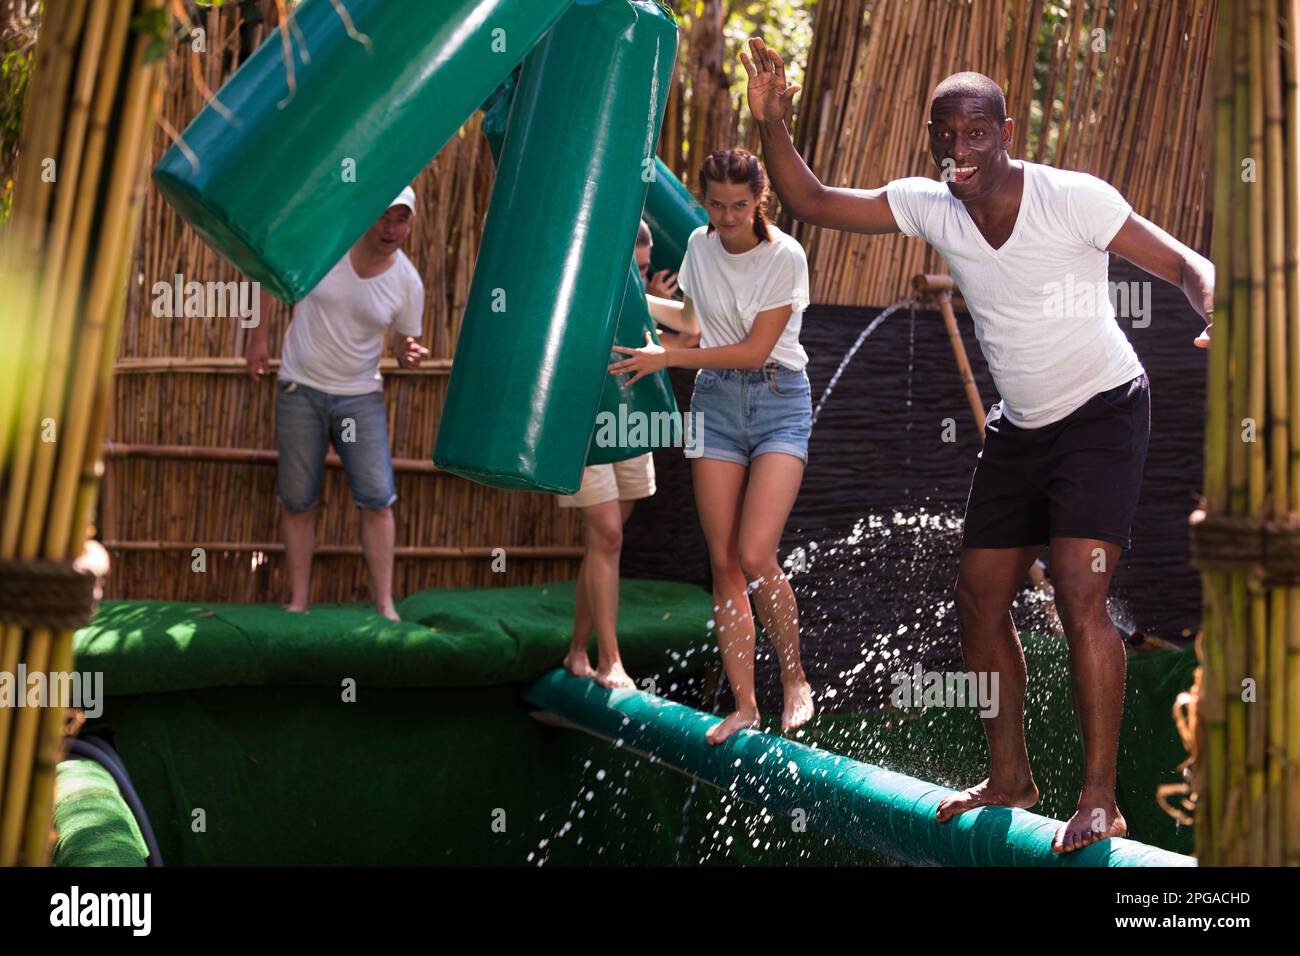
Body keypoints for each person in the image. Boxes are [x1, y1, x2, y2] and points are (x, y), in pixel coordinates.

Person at [740, 37, 1214, 852]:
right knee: (978, 596)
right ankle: (1010, 774)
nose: (959, 152)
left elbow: (1183, 265)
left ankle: (1100, 798)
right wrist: (774, 124)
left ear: (1005, 132)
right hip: (1022, 426)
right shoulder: (930, 204)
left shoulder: (1073, 198)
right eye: (945, 136)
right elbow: (812, 202)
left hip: (1103, 409)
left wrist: (1217, 310)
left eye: (975, 134)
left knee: (1078, 589)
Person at [610, 150, 817, 746]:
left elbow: (754, 350)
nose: (727, 218)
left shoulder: (785, 256)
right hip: (714, 406)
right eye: (717, 206)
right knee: (723, 561)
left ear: (760, 202)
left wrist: (664, 358)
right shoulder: (699, 246)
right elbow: (695, 325)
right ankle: (746, 705)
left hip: (779, 399)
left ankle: (796, 677)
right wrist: (635, 297)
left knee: (756, 554)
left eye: (740, 206)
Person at [246, 186, 429, 622]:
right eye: (383, 215)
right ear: (367, 212)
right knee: (297, 500)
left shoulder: (408, 282)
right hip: (299, 388)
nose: (390, 228)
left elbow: (406, 342)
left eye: (400, 219)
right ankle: (298, 600)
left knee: (377, 498)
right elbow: (266, 272)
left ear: (410, 225)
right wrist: (257, 340)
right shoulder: (325, 247)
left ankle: (385, 603)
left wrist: (407, 354)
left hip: (360, 396)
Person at [559, 221, 699, 689]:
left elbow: (689, 330)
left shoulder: (637, 300)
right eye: (635, 269)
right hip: (584, 424)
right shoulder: (580, 291)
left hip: (630, 421)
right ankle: (609, 660)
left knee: (607, 541)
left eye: (646, 268)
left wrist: (699, 268)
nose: (642, 277)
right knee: (608, 534)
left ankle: (576, 651)